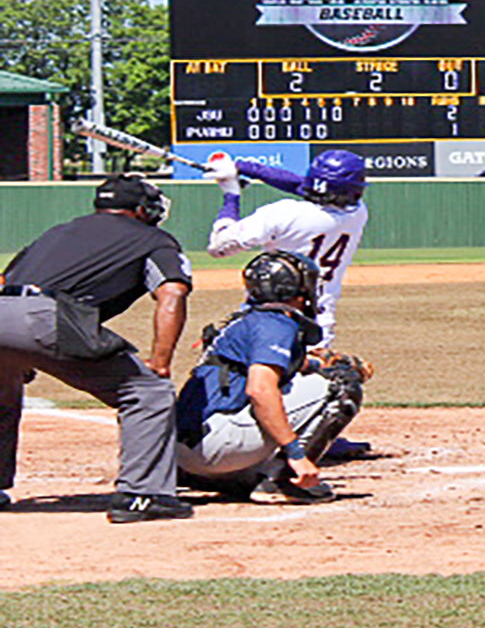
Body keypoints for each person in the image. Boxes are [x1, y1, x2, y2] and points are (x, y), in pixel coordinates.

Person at [0, 174, 195, 522]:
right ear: (140, 209)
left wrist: (16, 353)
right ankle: (143, 494)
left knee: (4, 390)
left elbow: (6, 281)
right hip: (46, 317)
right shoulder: (154, 239)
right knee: (146, 390)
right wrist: (161, 361)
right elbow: (172, 293)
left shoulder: (58, 231)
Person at [174, 251, 364, 504]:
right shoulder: (275, 325)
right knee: (341, 384)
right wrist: (295, 453)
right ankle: (283, 479)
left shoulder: (248, 321)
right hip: (214, 447)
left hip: (183, 452)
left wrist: (317, 364)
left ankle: (215, 476)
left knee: (313, 380)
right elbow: (260, 390)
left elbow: (278, 367)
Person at [205, 150, 368, 351]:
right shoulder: (358, 212)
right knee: (309, 378)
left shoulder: (282, 214)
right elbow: (302, 186)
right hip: (318, 323)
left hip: (266, 319)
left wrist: (231, 194)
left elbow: (218, 246)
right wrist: (243, 167)